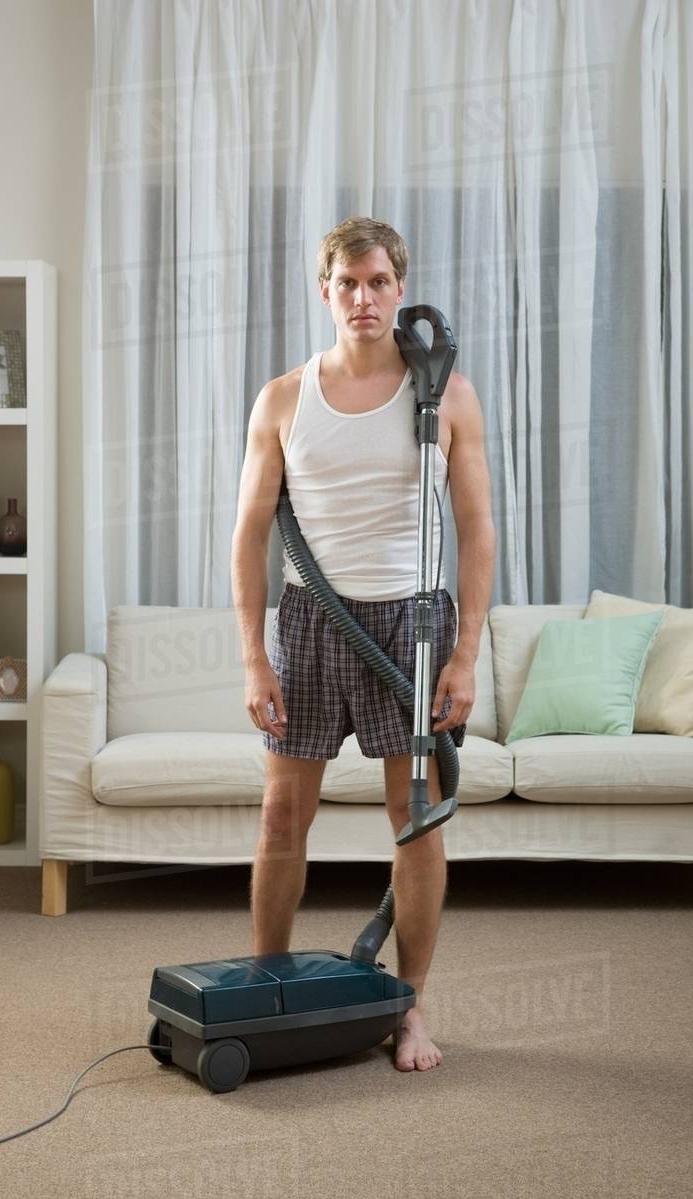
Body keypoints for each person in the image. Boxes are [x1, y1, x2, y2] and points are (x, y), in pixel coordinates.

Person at [230, 217, 495, 1072]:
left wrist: (466, 656)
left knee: (414, 822)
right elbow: (248, 536)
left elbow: (478, 530)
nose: (364, 298)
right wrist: (253, 654)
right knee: (281, 816)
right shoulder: (282, 397)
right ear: (326, 293)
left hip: (410, 628)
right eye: (347, 284)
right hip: (311, 624)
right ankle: (267, 989)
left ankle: (409, 1010)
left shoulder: (445, 394)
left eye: (379, 282)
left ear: (399, 288)